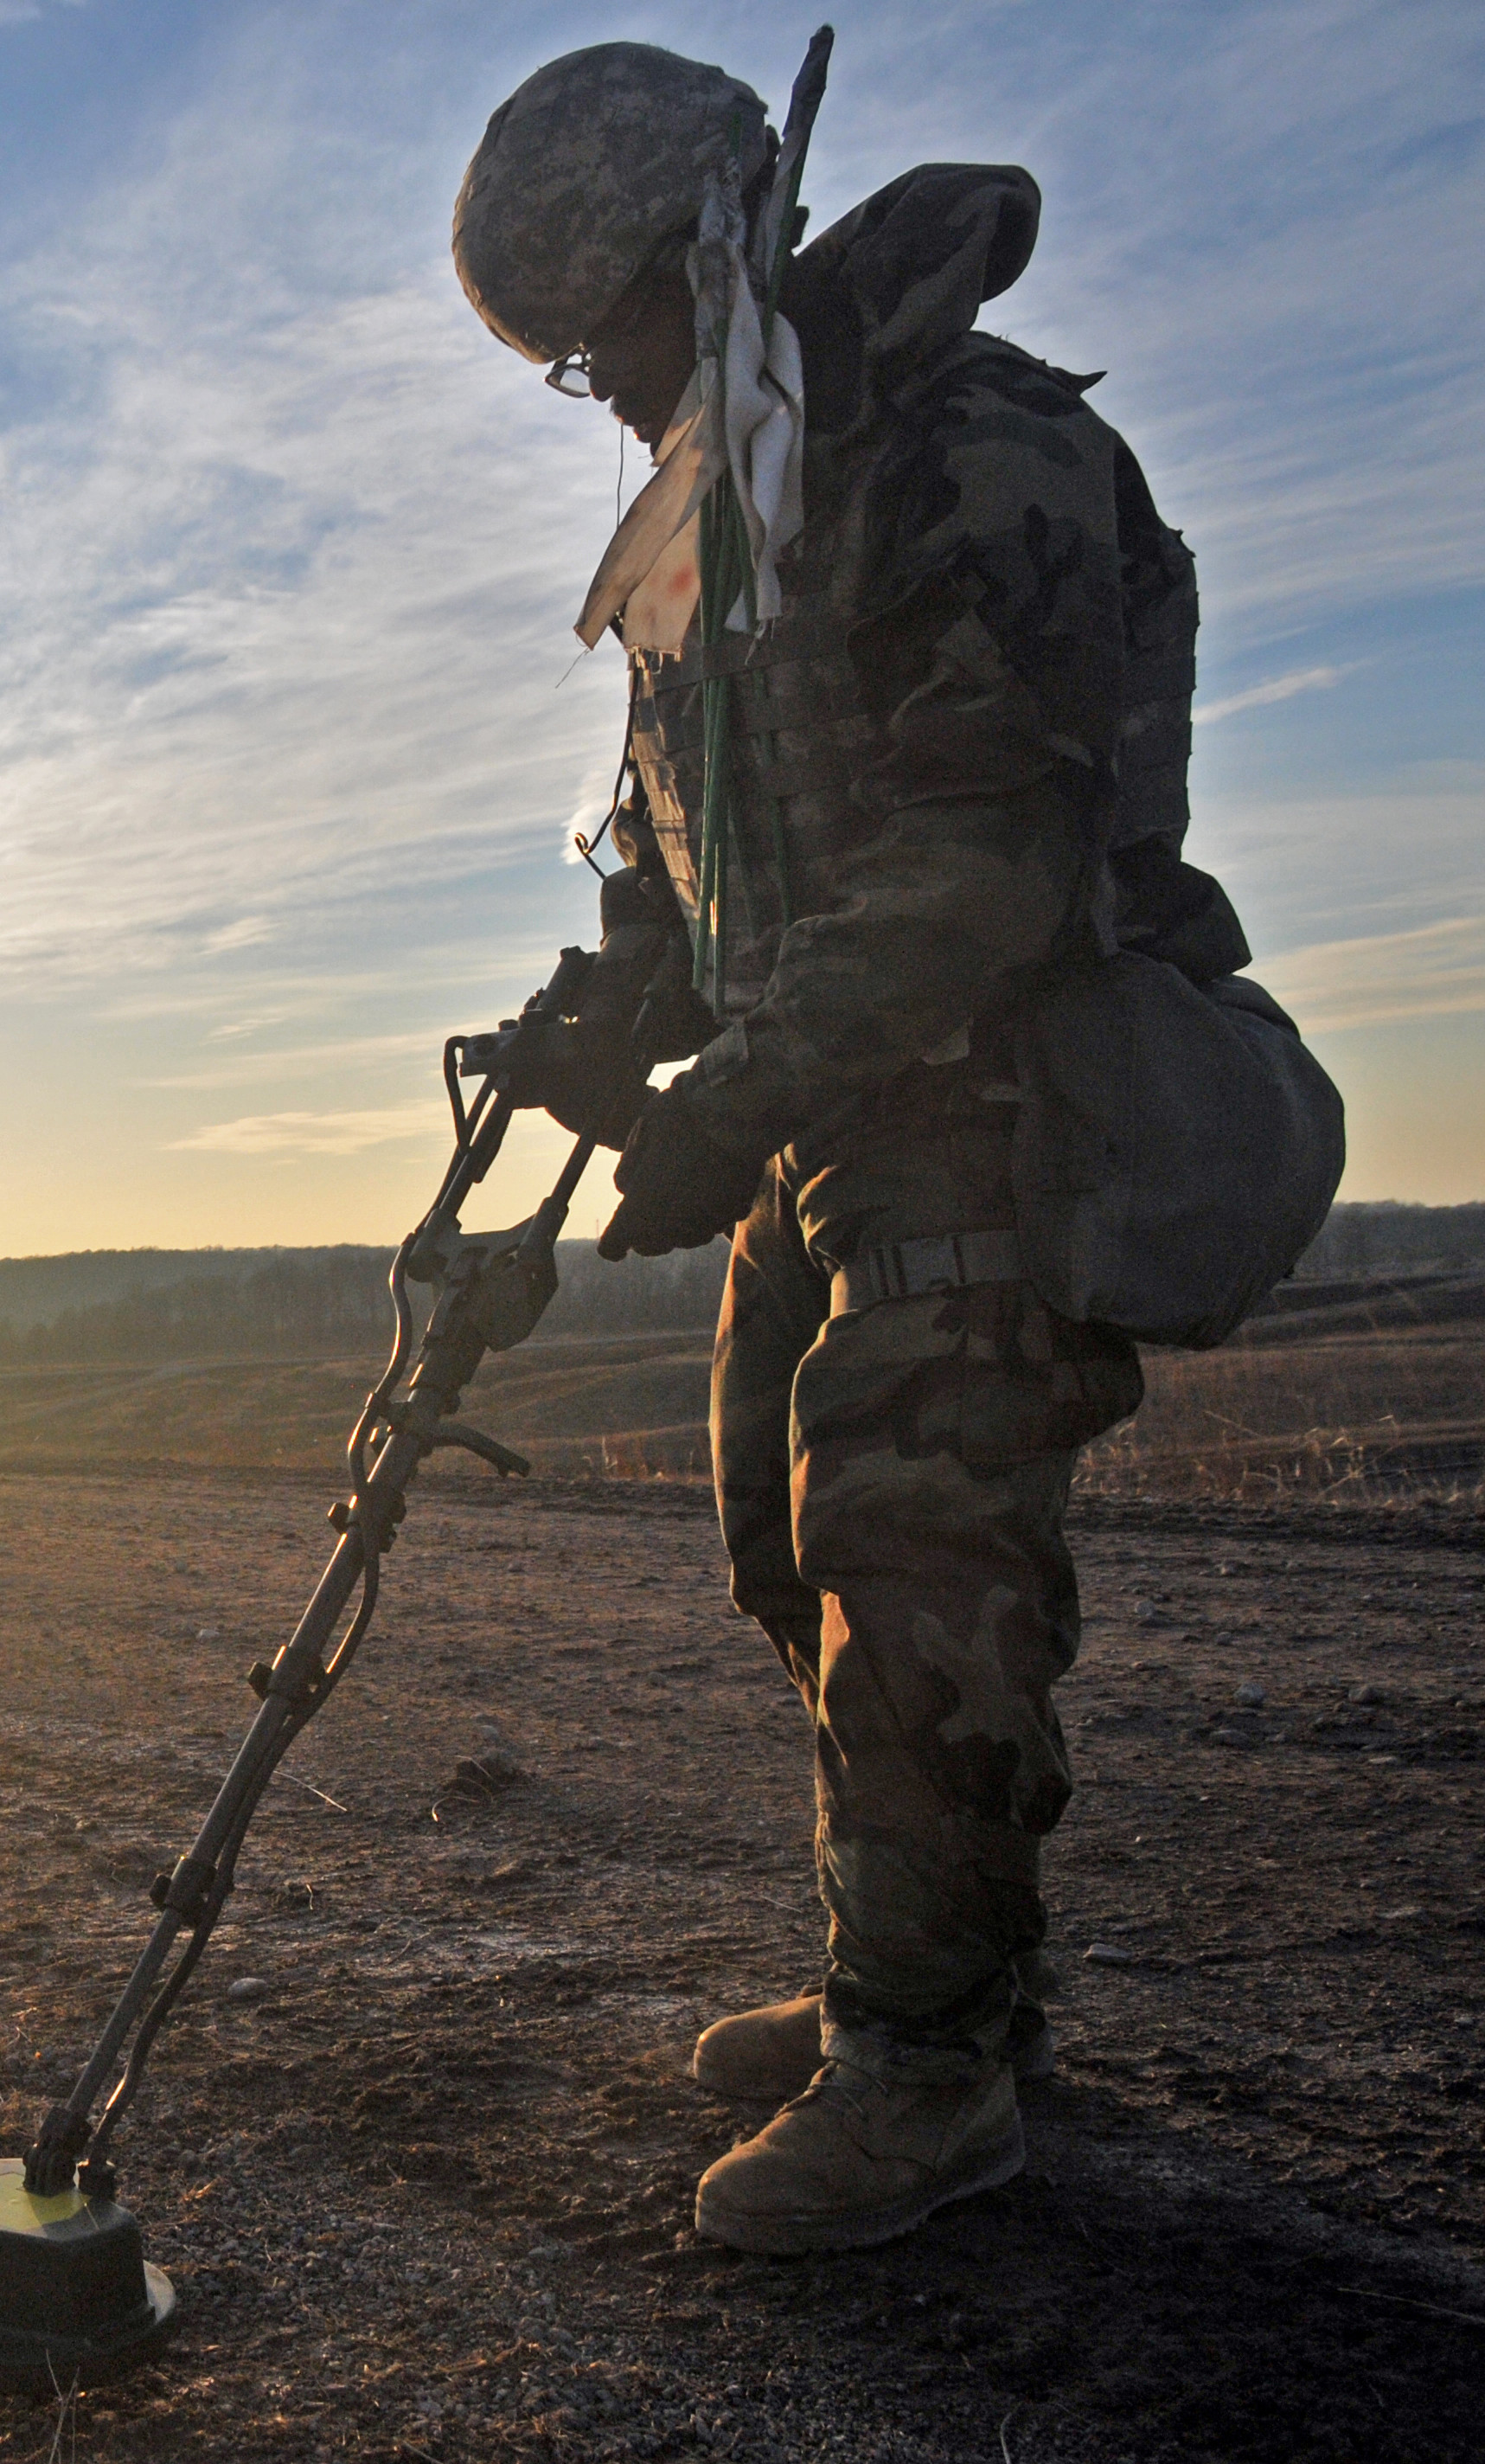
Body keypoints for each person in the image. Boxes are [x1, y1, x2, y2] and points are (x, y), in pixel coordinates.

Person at [448, 42, 1244, 2254]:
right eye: (561, 356)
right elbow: (695, 860)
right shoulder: (730, 501)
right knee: (779, 1555)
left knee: (913, 1576)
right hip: (818, 1123)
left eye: (602, 323)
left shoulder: (969, 452)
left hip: (984, 1120)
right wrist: (609, 1004)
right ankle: (923, 1974)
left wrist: (734, 1093)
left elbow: (992, 859)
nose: (596, 385)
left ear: (714, 245)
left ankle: (927, 2066)